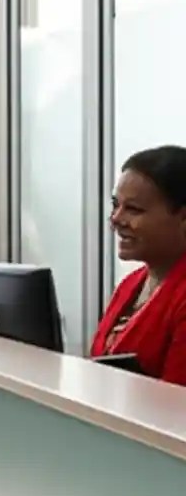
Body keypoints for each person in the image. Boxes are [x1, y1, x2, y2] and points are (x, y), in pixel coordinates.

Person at [92, 145, 186, 385]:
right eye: (116, 205)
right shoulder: (131, 284)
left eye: (133, 209)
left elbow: (177, 407)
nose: (116, 219)